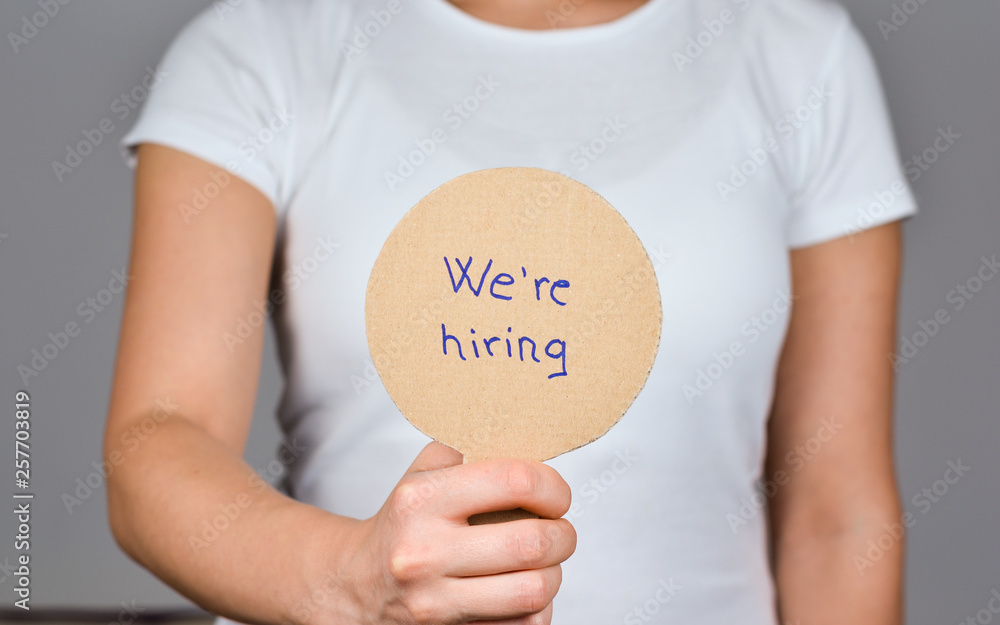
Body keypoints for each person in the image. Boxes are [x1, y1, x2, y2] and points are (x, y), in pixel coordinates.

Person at [104, 0, 917, 623]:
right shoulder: (263, 44)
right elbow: (157, 439)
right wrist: (351, 579)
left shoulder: (801, 55)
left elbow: (836, 508)